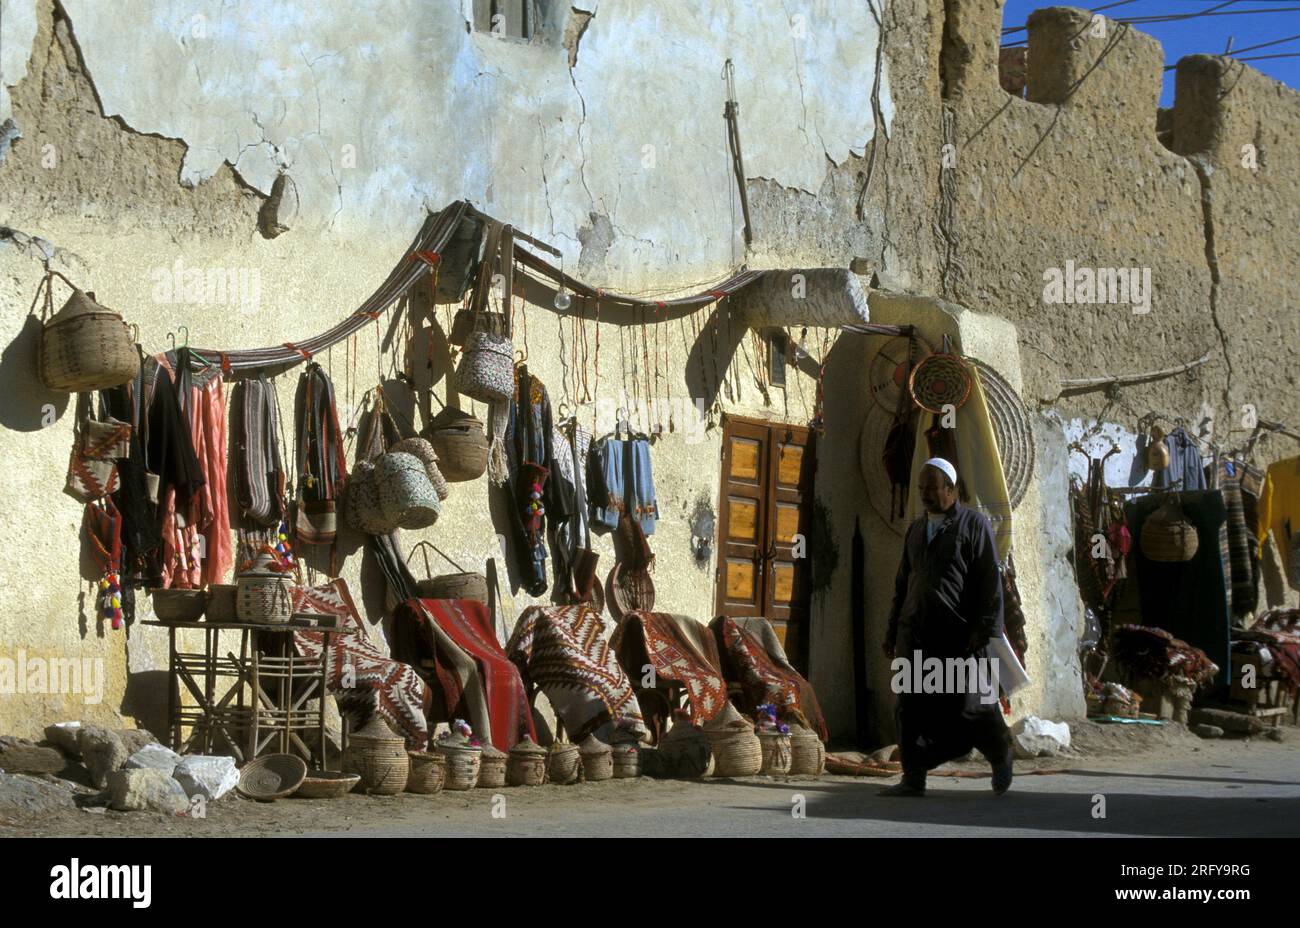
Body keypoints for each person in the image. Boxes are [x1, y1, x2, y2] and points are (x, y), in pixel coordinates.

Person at [879, 457, 1014, 797]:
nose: (924, 494)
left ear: (951, 490)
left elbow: (989, 584)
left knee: (970, 707)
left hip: (958, 636)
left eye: (932, 487)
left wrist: (985, 631)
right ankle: (913, 778)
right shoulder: (914, 530)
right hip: (915, 633)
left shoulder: (974, 526)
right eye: (921, 488)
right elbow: (901, 586)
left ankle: (1000, 751)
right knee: (909, 706)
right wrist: (892, 632)